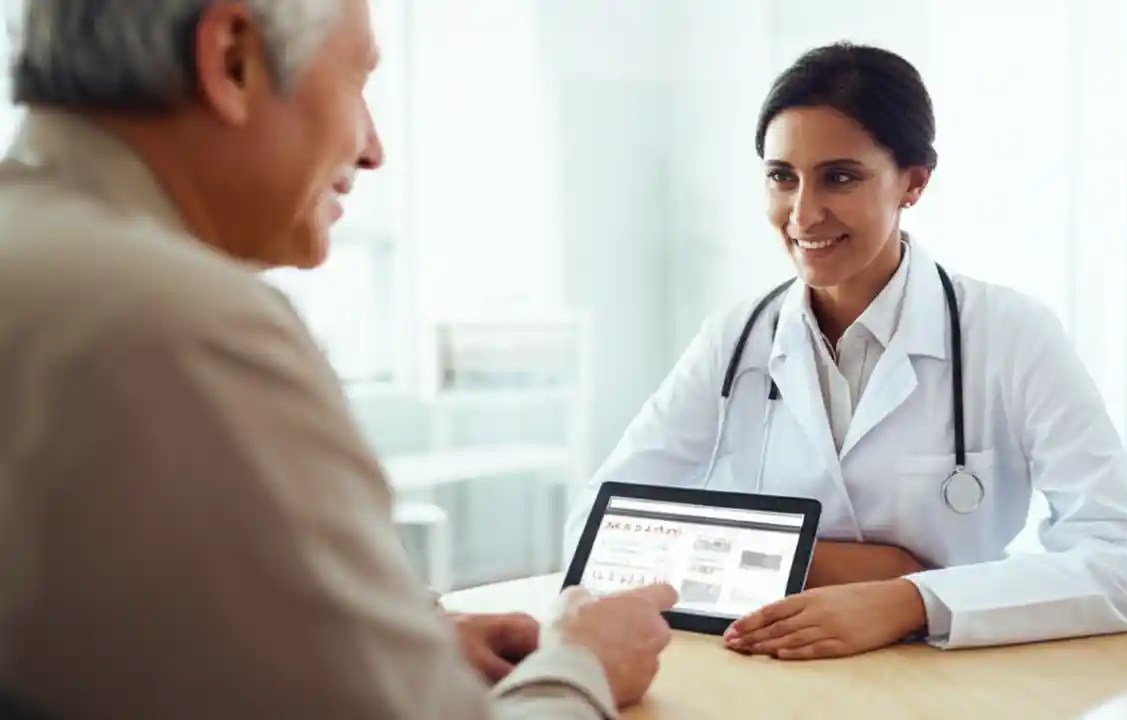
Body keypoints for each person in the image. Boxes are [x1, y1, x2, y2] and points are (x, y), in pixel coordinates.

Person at [0, 1, 675, 717]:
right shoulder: (179, 322)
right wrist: (583, 665)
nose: (374, 148)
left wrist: (385, 638)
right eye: (358, 81)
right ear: (233, 60)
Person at [564, 43, 1127, 659]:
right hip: (768, 674)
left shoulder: (1013, 335)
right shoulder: (737, 336)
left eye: (840, 177)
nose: (803, 213)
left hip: (955, 679)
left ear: (913, 181)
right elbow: (596, 534)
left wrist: (910, 599)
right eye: (782, 177)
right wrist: (846, 567)